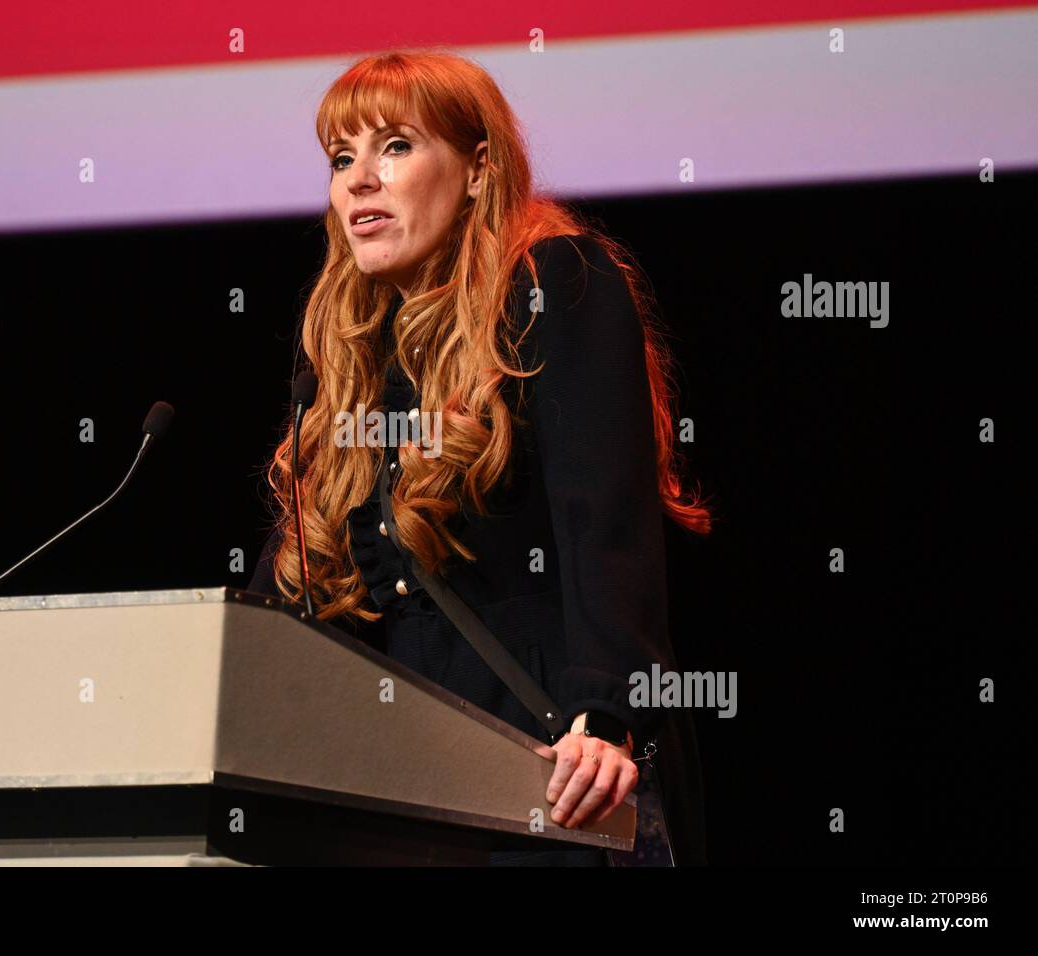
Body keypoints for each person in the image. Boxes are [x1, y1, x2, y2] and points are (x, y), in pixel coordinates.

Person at [249, 50, 712, 866]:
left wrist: (607, 713)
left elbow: (604, 514)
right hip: (398, 809)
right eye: (341, 157)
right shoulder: (353, 361)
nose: (360, 179)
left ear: (477, 168)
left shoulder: (554, 282)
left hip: (556, 781)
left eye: (394, 146)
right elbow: (293, 594)